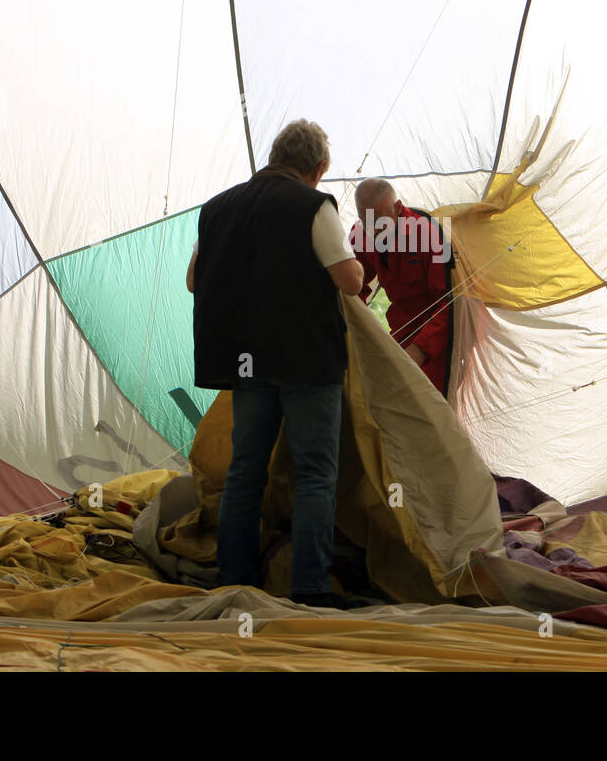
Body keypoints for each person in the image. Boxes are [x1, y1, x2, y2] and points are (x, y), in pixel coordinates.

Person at [187, 119, 363, 606]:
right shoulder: (313, 205)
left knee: (246, 468)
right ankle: (310, 588)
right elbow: (349, 281)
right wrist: (361, 265)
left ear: (273, 155)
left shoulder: (218, 208)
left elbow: (192, 280)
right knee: (314, 473)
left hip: (245, 363)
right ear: (319, 168)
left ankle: (234, 580)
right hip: (305, 360)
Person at [350, 177, 453, 395]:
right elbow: (354, 288)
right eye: (365, 222)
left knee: (431, 407)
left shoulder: (428, 235)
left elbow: (448, 302)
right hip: (399, 331)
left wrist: (420, 349)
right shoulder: (361, 234)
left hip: (435, 339)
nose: (374, 232)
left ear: (397, 208)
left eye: (379, 223)